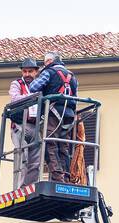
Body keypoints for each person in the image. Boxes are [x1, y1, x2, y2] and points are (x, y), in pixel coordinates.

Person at [25, 52, 77, 183]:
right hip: (69, 115)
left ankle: (58, 177)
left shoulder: (48, 72)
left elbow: (33, 88)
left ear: (48, 61)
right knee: (64, 146)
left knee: (50, 143)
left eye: (44, 63)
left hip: (53, 113)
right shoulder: (72, 76)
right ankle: (66, 176)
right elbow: (75, 96)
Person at [9, 57, 41, 187]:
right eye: (25, 71)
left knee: (36, 158)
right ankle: (19, 188)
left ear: (36, 72)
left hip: (34, 126)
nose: (27, 74)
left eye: (30, 71)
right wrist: (34, 96)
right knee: (23, 156)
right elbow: (15, 99)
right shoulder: (16, 83)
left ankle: (30, 186)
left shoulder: (40, 84)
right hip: (19, 125)